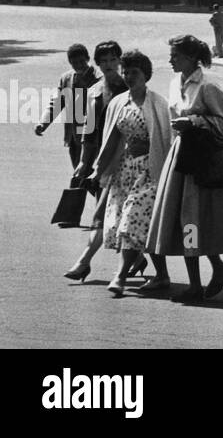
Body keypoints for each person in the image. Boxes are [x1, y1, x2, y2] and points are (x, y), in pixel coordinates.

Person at [148, 35, 223, 303]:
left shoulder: (208, 86)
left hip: (201, 159)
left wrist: (193, 121)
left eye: (175, 56)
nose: (171, 60)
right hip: (180, 157)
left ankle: (212, 270)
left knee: (193, 217)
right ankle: (200, 278)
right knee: (184, 219)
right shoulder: (174, 83)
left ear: (192, 58)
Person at [93, 51, 172, 297]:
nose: (128, 76)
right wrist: (97, 170)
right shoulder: (119, 102)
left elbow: (166, 139)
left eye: (134, 72)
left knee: (132, 220)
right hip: (125, 171)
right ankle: (162, 275)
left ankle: (120, 276)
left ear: (145, 75)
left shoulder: (158, 103)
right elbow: (111, 139)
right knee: (141, 227)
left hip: (151, 171)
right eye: (125, 71)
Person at [65, 42, 138, 284]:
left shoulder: (129, 88)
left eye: (112, 60)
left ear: (119, 61)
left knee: (104, 215)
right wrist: (83, 162)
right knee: (111, 215)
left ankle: (84, 262)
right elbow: (88, 131)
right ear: (97, 63)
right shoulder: (94, 91)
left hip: (127, 163)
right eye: (103, 61)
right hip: (101, 163)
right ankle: (137, 260)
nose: (107, 65)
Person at [35, 44, 98, 176]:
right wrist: (43, 123)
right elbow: (56, 103)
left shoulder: (98, 78)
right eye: (74, 63)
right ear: (70, 62)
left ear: (87, 58)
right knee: (81, 176)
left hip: (92, 139)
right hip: (74, 138)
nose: (78, 65)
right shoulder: (66, 79)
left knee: (88, 176)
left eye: (81, 61)